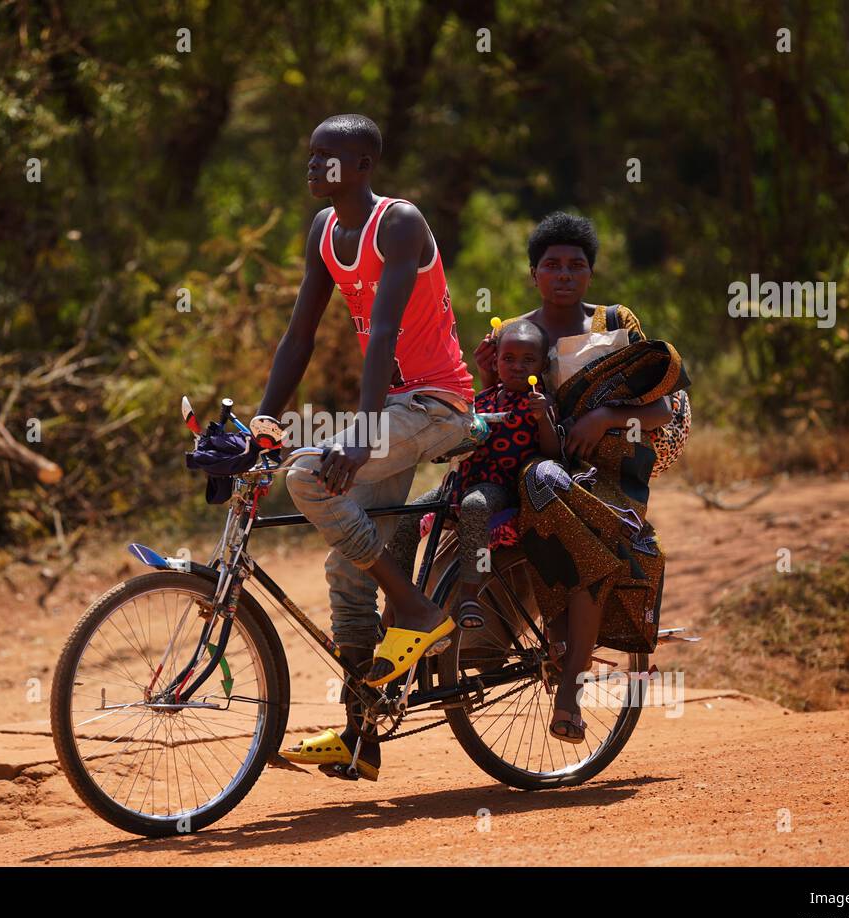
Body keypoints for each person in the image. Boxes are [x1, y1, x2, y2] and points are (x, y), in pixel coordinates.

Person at [253, 114, 475, 781]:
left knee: (308, 479)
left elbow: (382, 335)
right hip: (389, 410)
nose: (314, 166)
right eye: (311, 154)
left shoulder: (399, 223)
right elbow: (300, 336)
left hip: (438, 404)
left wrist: (363, 431)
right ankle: (361, 735)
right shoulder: (324, 231)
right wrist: (263, 424)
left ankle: (413, 608)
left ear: (364, 165)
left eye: (330, 156)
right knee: (346, 571)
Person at [473, 212, 676, 744]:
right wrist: (486, 376)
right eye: (552, 265)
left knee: (581, 536)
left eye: (576, 265)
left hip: (606, 477)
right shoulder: (513, 336)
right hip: (531, 474)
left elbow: (663, 410)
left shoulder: (615, 325)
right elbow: (492, 410)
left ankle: (570, 692)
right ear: (532, 273)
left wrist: (605, 417)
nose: (564, 275)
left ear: (590, 272)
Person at [385, 319, 558, 632]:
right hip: (459, 484)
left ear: (543, 365)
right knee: (406, 516)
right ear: (496, 361)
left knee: (476, 507)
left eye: (528, 360)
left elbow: (552, 453)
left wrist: (543, 418)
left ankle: (468, 595)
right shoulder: (486, 399)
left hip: (500, 487)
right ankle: (398, 602)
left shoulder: (540, 402)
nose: (517, 367)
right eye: (508, 359)